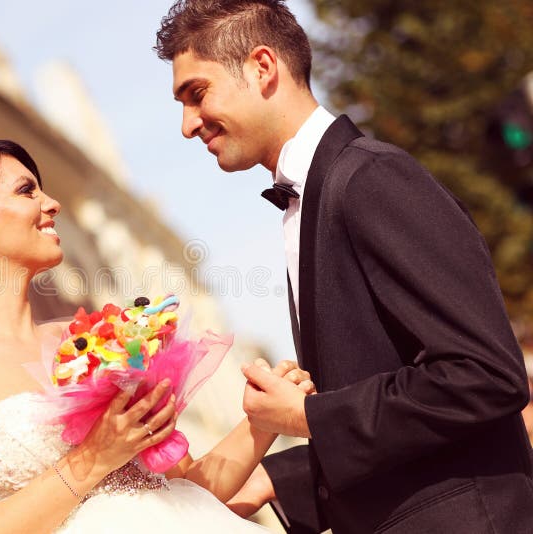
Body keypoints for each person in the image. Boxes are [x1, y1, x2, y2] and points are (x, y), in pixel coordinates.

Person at [156, 1, 533, 532]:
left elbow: (486, 375)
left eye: (197, 94)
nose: (187, 125)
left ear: (263, 67)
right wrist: (279, 477)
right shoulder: (316, 196)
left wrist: (305, 418)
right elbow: (392, 391)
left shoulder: (373, 179)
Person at [0, 139, 315, 533]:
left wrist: (260, 422)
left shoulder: (97, 339)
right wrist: (93, 458)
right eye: (26, 191)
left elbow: (184, 491)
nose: (52, 203)